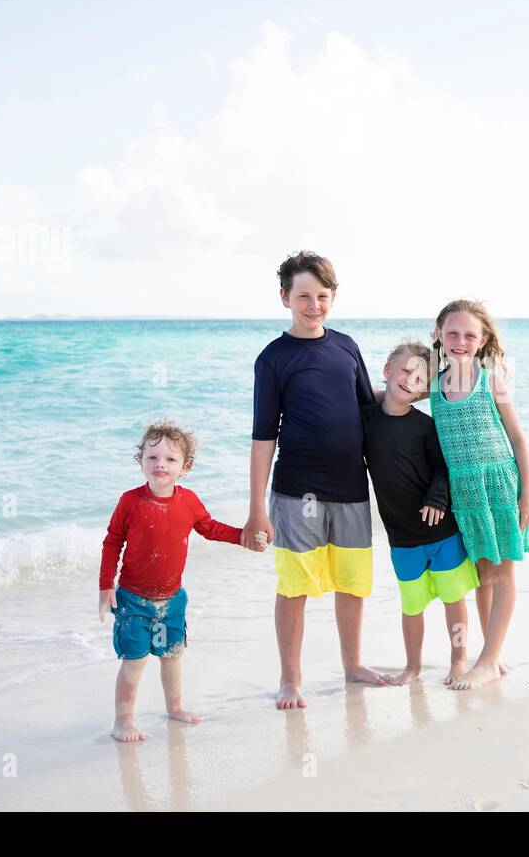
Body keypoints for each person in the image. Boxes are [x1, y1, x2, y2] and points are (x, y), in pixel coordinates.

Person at [244, 250, 389, 710]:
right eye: (303, 296)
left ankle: (353, 666)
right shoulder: (273, 359)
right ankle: (291, 679)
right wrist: (256, 509)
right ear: (285, 297)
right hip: (296, 490)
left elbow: (369, 407)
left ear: (333, 298)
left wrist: (413, 387)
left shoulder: (346, 346)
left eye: (322, 296)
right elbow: (264, 437)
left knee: (352, 582)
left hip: (350, 487)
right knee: (295, 585)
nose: (313, 305)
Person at [99, 419, 244, 742]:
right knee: (134, 661)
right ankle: (123, 721)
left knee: (171, 655)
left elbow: (211, 528)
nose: (160, 464)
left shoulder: (188, 501)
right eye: (152, 458)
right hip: (133, 601)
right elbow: (112, 542)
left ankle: (175, 707)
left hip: (172, 600)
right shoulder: (130, 501)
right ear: (140, 463)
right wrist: (106, 586)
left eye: (170, 459)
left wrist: (243, 536)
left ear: (185, 467)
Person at [429, 299, 529, 690]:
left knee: (502, 569)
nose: (460, 341)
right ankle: (490, 654)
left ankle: (490, 659)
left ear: (483, 339)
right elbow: (393, 395)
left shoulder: (490, 379)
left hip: (498, 486)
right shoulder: (433, 383)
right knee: (481, 573)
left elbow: (518, 440)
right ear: (439, 333)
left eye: (469, 335)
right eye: (453, 333)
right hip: (465, 492)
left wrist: (527, 496)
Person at [362, 341, 479, 685]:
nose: (410, 379)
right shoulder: (366, 420)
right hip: (402, 537)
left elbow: (443, 468)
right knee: (411, 605)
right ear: (387, 371)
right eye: (404, 370)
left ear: (424, 389)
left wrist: (437, 499)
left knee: (453, 599)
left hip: (441, 531)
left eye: (419, 377)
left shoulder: (425, 426)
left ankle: (459, 660)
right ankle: (412, 666)